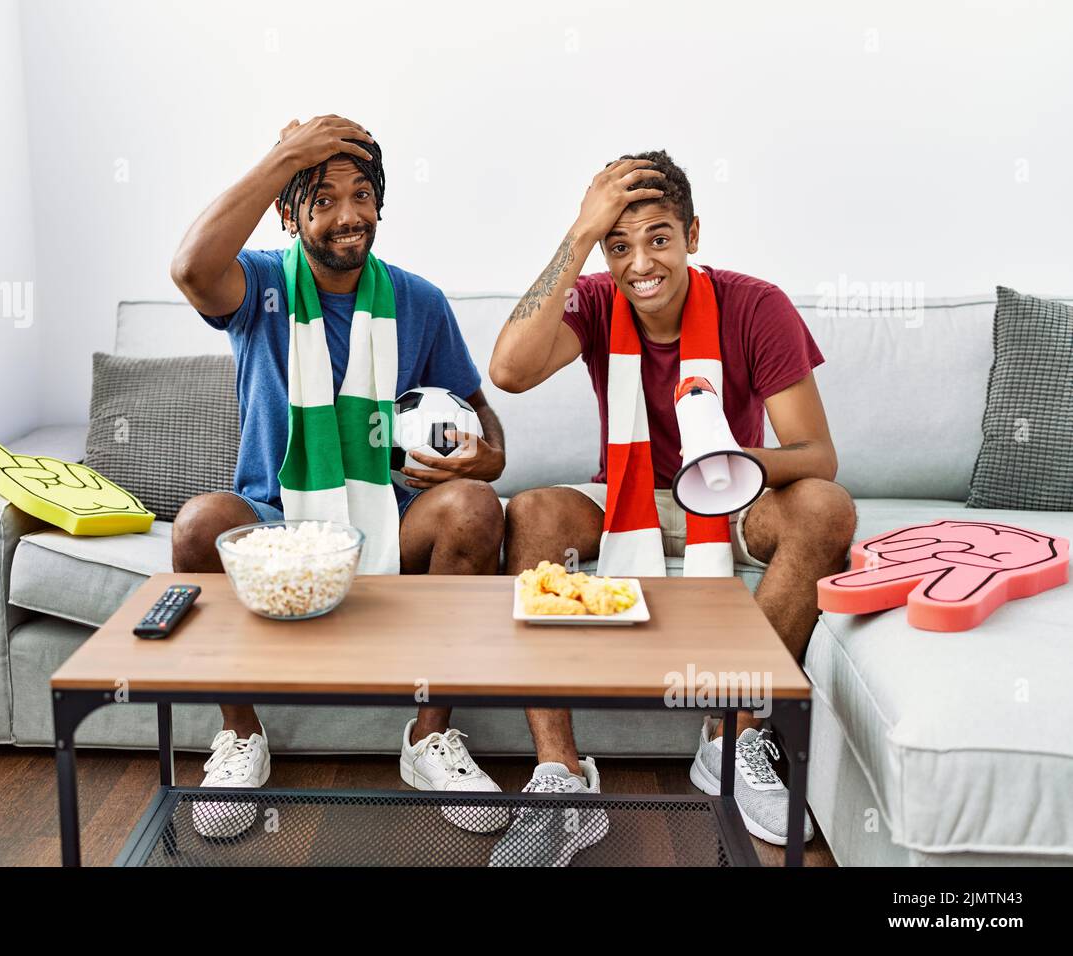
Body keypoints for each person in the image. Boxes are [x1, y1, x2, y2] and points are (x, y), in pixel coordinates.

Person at [487, 150, 857, 864]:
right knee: (531, 511)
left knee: (825, 508)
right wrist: (577, 235)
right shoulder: (594, 300)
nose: (640, 264)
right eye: (618, 245)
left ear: (693, 233)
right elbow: (509, 370)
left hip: (729, 494)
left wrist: (728, 466)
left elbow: (816, 454)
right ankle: (560, 776)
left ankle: (730, 736)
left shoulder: (756, 305)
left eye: (659, 237)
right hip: (626, 496)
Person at [170, 115, 509, 838]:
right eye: (323, 199)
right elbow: (191, 268)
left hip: (391, 514)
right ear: (289, 214)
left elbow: (484, 418)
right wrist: (284, 155)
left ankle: (430, 740)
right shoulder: (258, 286)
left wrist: (489, 458)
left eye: (362, 195)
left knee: (477, 506)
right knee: (199, 523)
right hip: (276, 525)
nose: (349, 216)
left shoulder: (419, 300)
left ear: (381, 206)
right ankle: (239, 738)